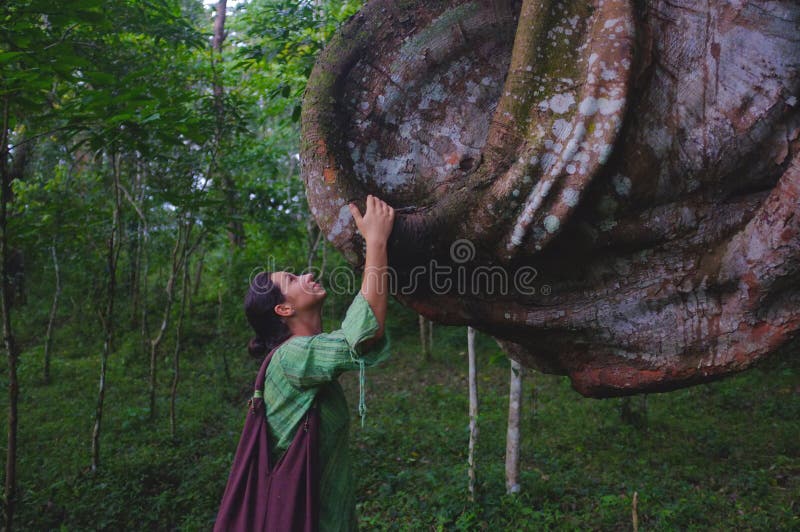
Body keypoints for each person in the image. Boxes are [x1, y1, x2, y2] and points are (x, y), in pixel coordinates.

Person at [242, 194, 395, 531]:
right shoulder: (290, 357)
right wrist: (375, 239)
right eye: (293, 280)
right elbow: (362, 333)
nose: (307, 274)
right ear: (283, 309)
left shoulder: (304, 355)